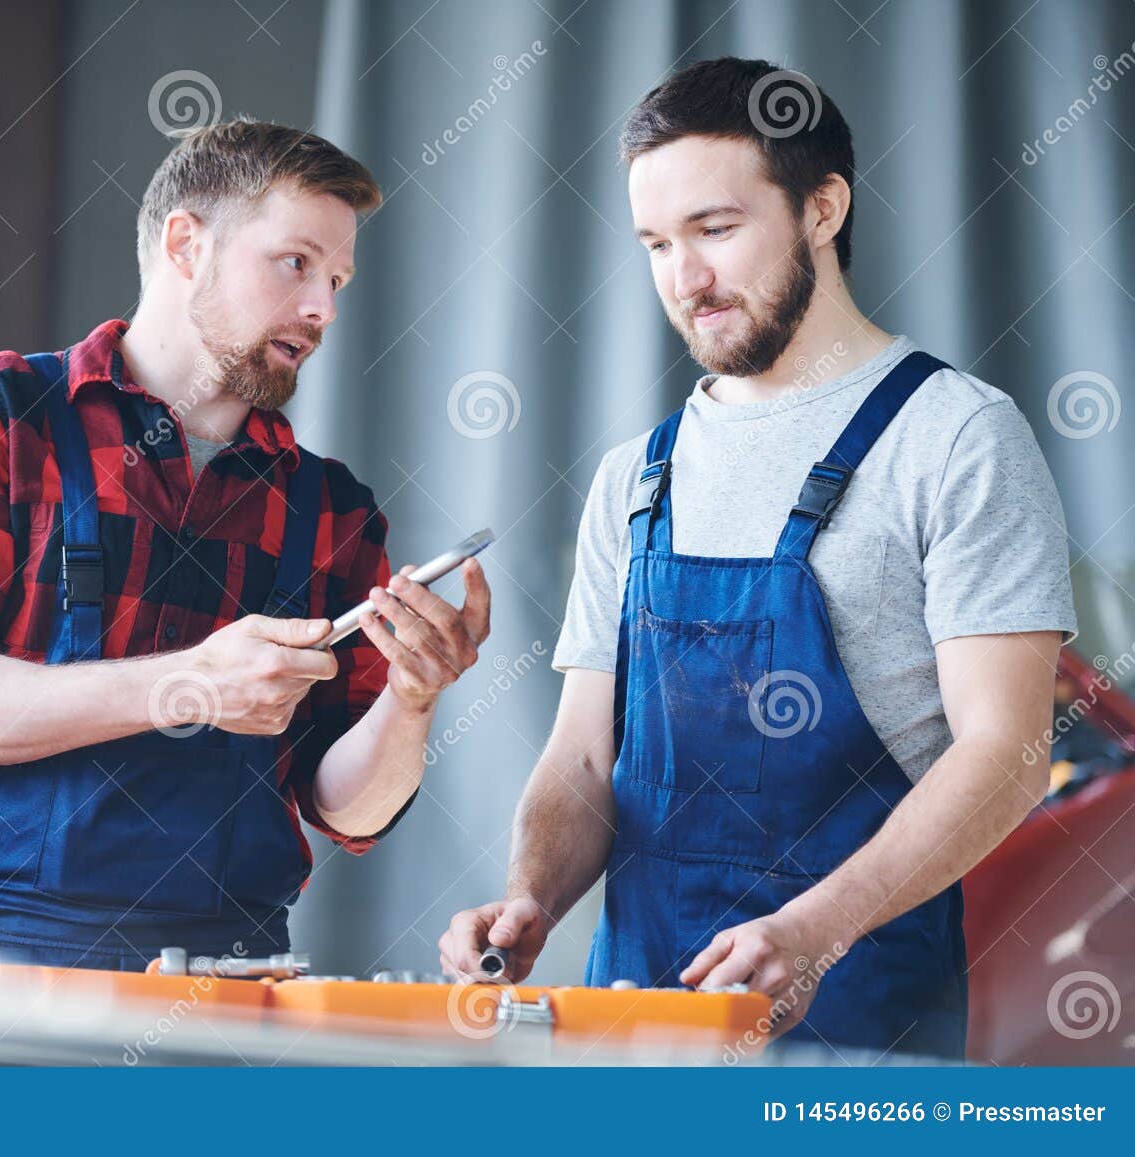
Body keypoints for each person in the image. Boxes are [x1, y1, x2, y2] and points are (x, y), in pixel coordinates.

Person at [439, 58, 1075, 1059]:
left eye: (715, 230)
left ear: (821, 208)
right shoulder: (636, 475)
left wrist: (813, 930)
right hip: (632, 1032)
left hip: (862, 1036)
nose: (684, 280)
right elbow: (580, 760)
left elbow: (1006, 755)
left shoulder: (954, 437)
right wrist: (529, 895)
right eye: (656, 242)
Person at [0, 119, 492, 971]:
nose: (324, 308)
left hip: (231, 978)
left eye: (338, 278)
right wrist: (192, 684)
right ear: (186, 243)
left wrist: (412, 700)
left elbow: (347, 808)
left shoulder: (333, 508)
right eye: (296, 262)